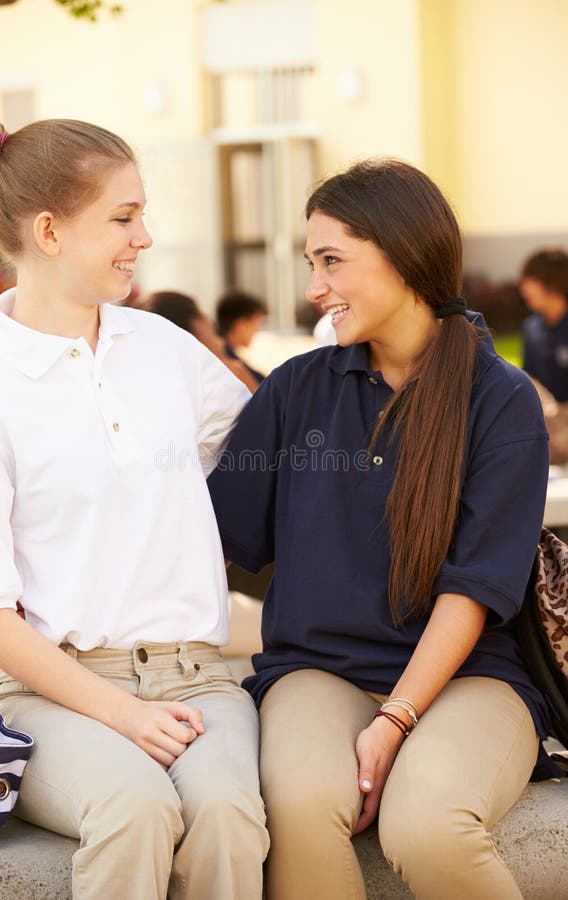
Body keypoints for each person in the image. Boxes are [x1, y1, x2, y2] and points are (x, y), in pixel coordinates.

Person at [207, 159, 554, 900]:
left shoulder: (500, 400)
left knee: (428, 825)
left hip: (470, 679)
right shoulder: (297, 388)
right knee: (299, 806)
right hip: (316, 671)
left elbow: (473, 589)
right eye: (310, 263)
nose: (312, 289)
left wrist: (394, 719)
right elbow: (218, 538)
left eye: (332, 261)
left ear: (405, 255)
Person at [0, 116, 268, 900]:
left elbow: (269, 457)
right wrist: (123, 716)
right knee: (135, 809)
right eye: (124, 218)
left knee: (231, 812)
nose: (144, 237)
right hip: (54, 693)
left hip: (200, 679)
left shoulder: (163, 348)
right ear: (49, 231)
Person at [146, 289, 262, 393]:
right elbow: (267, 411)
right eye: (200, 313)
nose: (211, 321)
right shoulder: (223, 374)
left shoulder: (163, 383)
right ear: (194, 326)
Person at [520, 248, 568, 401]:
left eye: (530, 278)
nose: (523, 287)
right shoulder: (531, 328)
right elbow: (528, 380)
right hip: (544, 422)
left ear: (552, 282)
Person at [215, 289, 267, 386]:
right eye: (256, 323)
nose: (257, 330)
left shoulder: (224, 354)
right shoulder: (229, 361)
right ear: (241, 324)